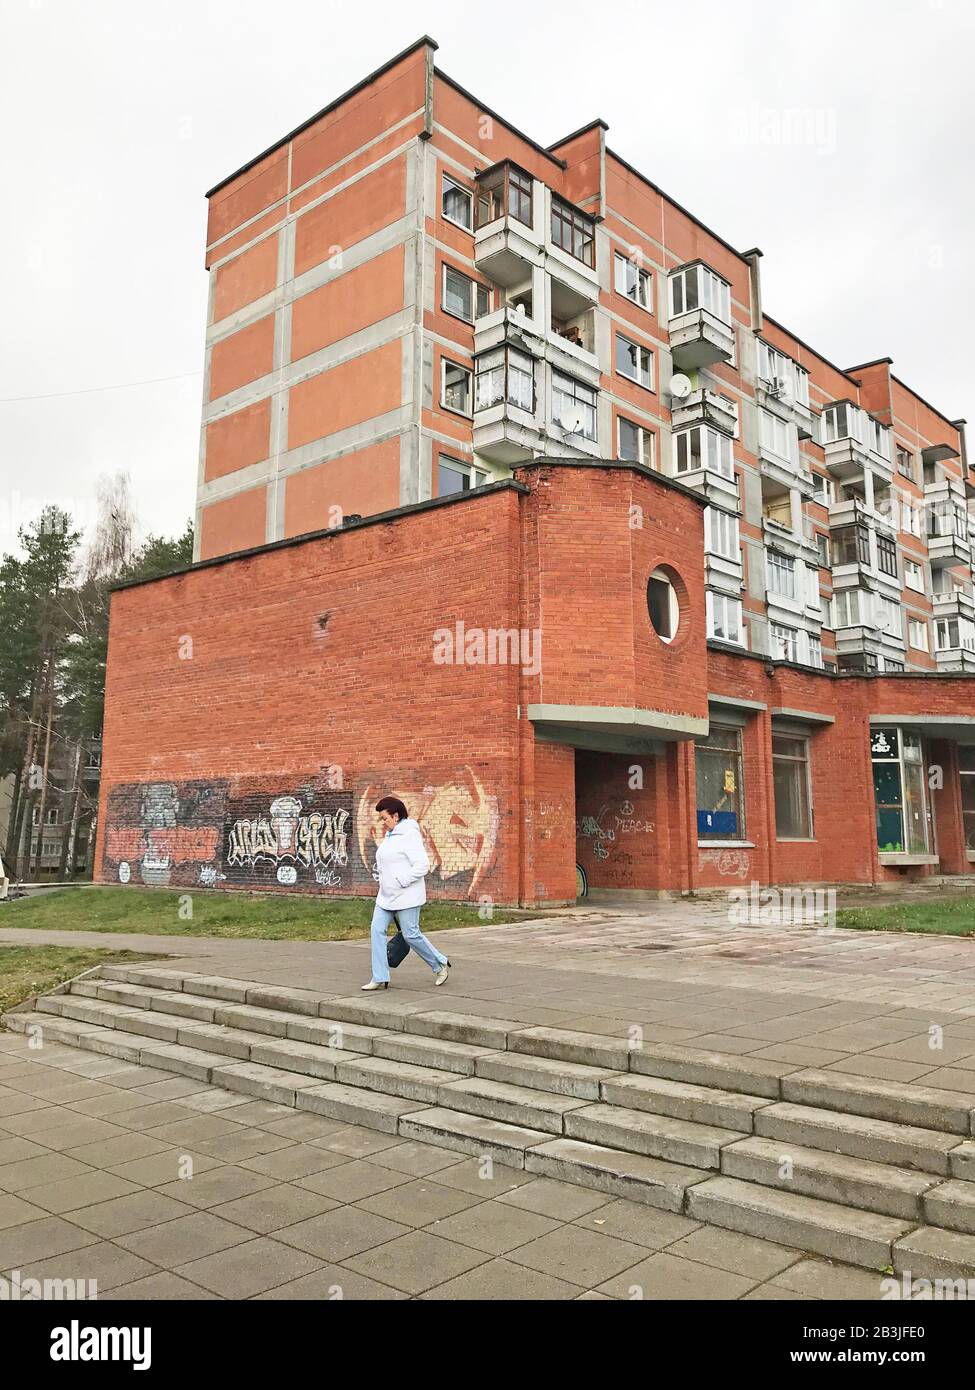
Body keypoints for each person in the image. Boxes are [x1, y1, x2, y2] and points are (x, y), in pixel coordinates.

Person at [362, 796, 451, 990]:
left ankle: (440, 963)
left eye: (385, 818)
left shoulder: (410, 834)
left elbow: (422, 866)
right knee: (376, 930)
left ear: (396, 815)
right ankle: (379, 976)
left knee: (411, 935)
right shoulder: (391, 835)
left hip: (407, 895)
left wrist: (402, 880)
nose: (383, 823)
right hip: (385, 896)